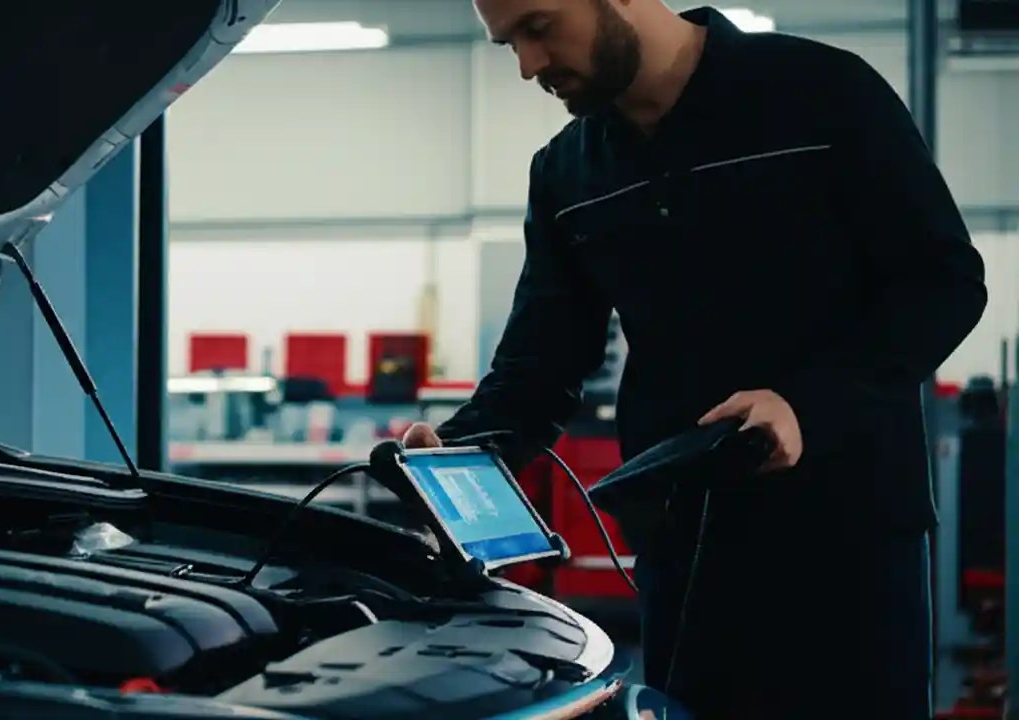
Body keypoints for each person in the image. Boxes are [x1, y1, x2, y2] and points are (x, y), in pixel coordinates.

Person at [402, 1, 988, 717]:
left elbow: (943, 281)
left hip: (847, 540)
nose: (527, 65)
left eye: (539, 26)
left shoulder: (825, 93)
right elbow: (539, 367)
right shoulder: (565, 172)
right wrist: (452, 456)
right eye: (507, 45)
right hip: (684, 551)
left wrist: (809, 402)